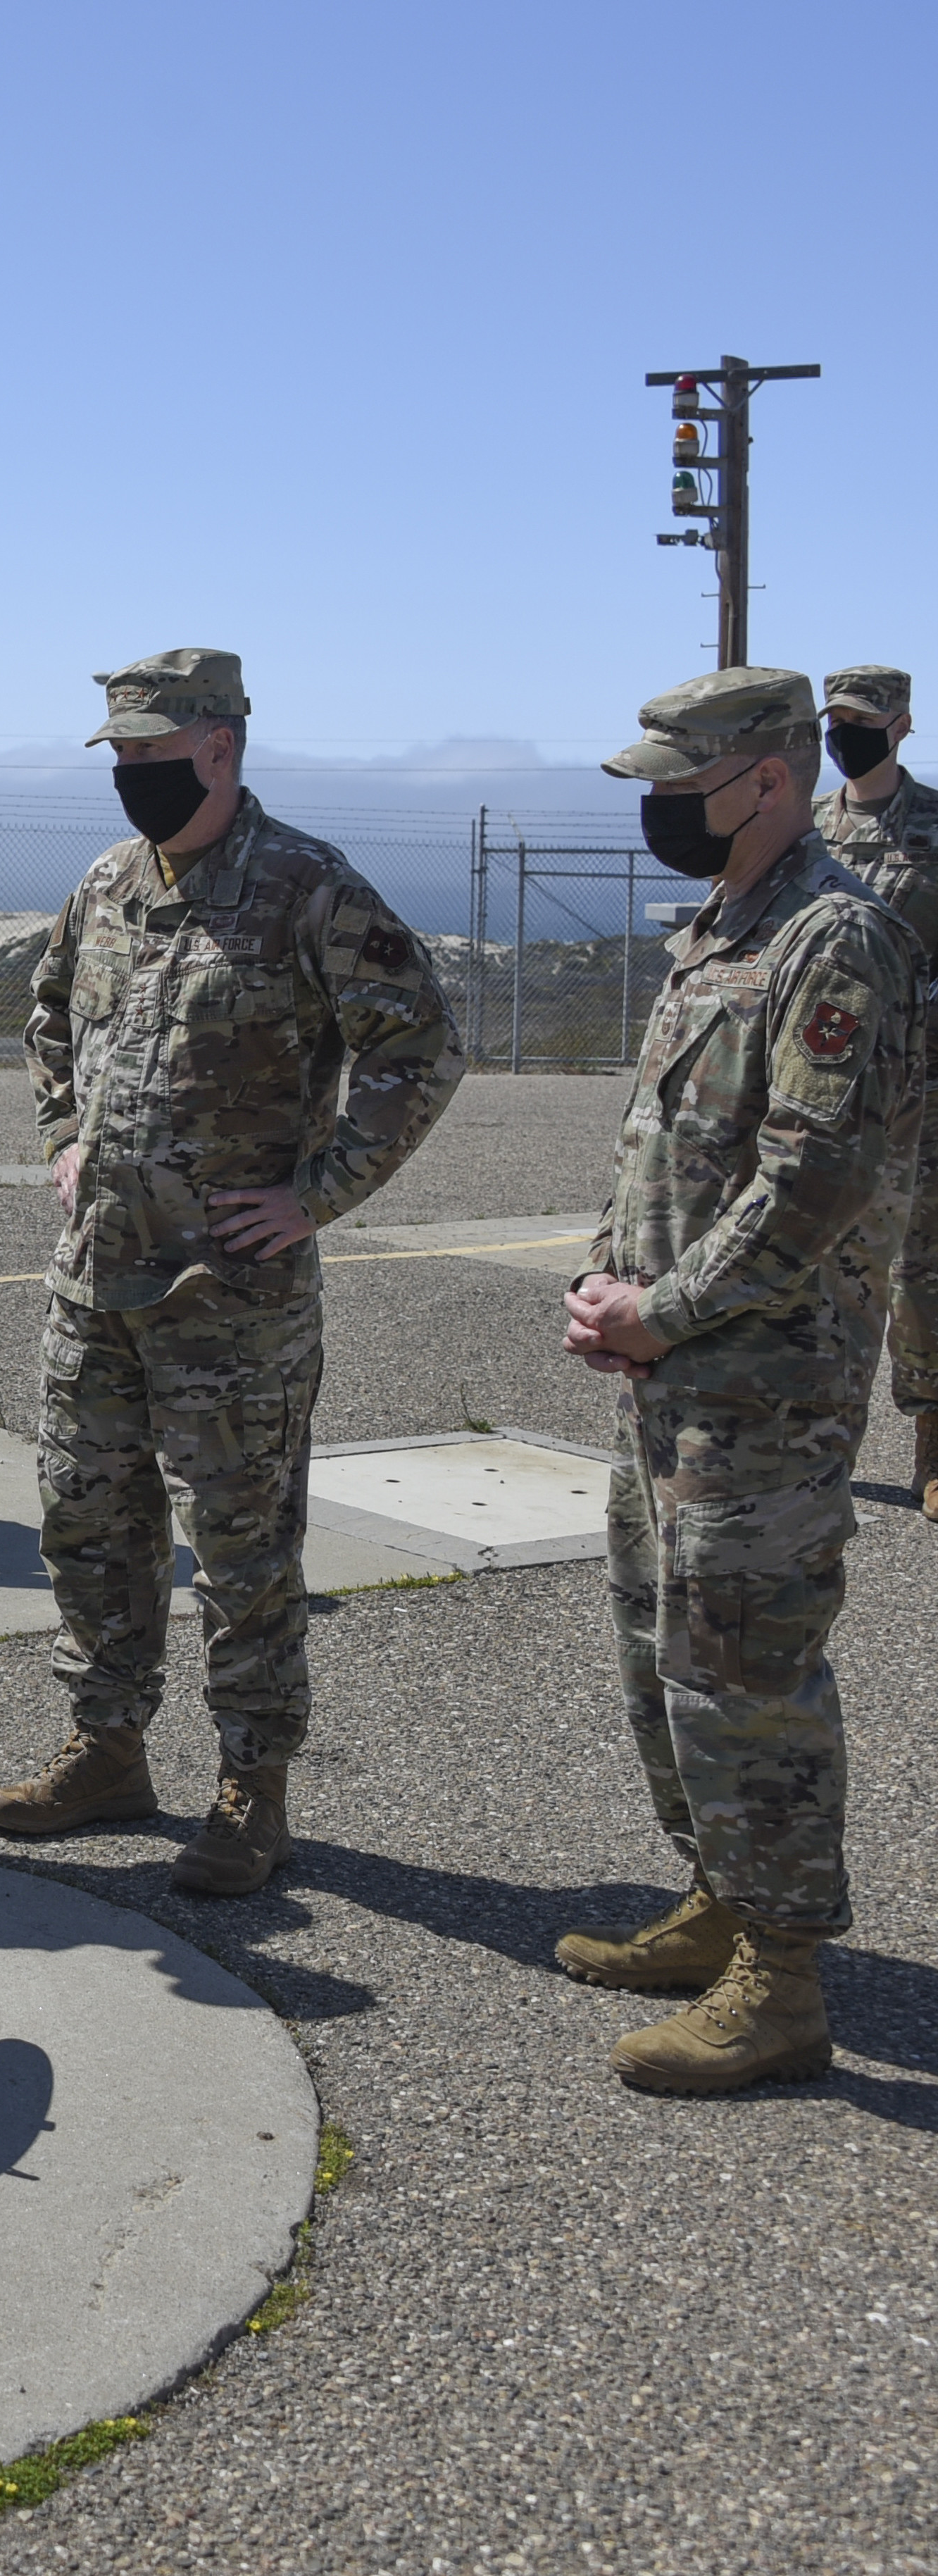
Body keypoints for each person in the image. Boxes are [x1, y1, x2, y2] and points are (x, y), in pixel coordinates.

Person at [0, 647, 463, 1895]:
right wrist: (64, 1133)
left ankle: (255, 1786)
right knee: (89, 1525)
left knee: (243, 1551)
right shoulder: (105, 885)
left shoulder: (306, 885)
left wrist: (315, 1195)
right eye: (122, 754)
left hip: (229, 1303)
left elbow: (420, 1043)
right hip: (95, 1281)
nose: (132, 773)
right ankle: (107, 1747)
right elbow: (47, 1015)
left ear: (221, 746)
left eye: (153, 751)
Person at [557, 666, 923, 2094]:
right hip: (673, 1365)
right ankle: (718, 1901)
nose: (657, 808)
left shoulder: (835, 935)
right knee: (667, 1658)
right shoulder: (721, 929)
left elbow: (812, 1177)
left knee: (747, 1671)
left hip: (764, 1380)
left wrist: (666, 1306)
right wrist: (607, 1280)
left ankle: (780, 1982)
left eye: (677, 782)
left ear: (765, 780)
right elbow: (661, 1139)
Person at [811, 666, 938, 1519]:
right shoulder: (808, 830)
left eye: (861, 720)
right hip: (826, 1085)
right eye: (836, 720)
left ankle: (931, 1435)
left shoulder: (932, 824)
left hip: (921, 1085)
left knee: (923, 1271)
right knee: (824, 1263)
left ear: (899, 726)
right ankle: (819, 1437)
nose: (844, 734)